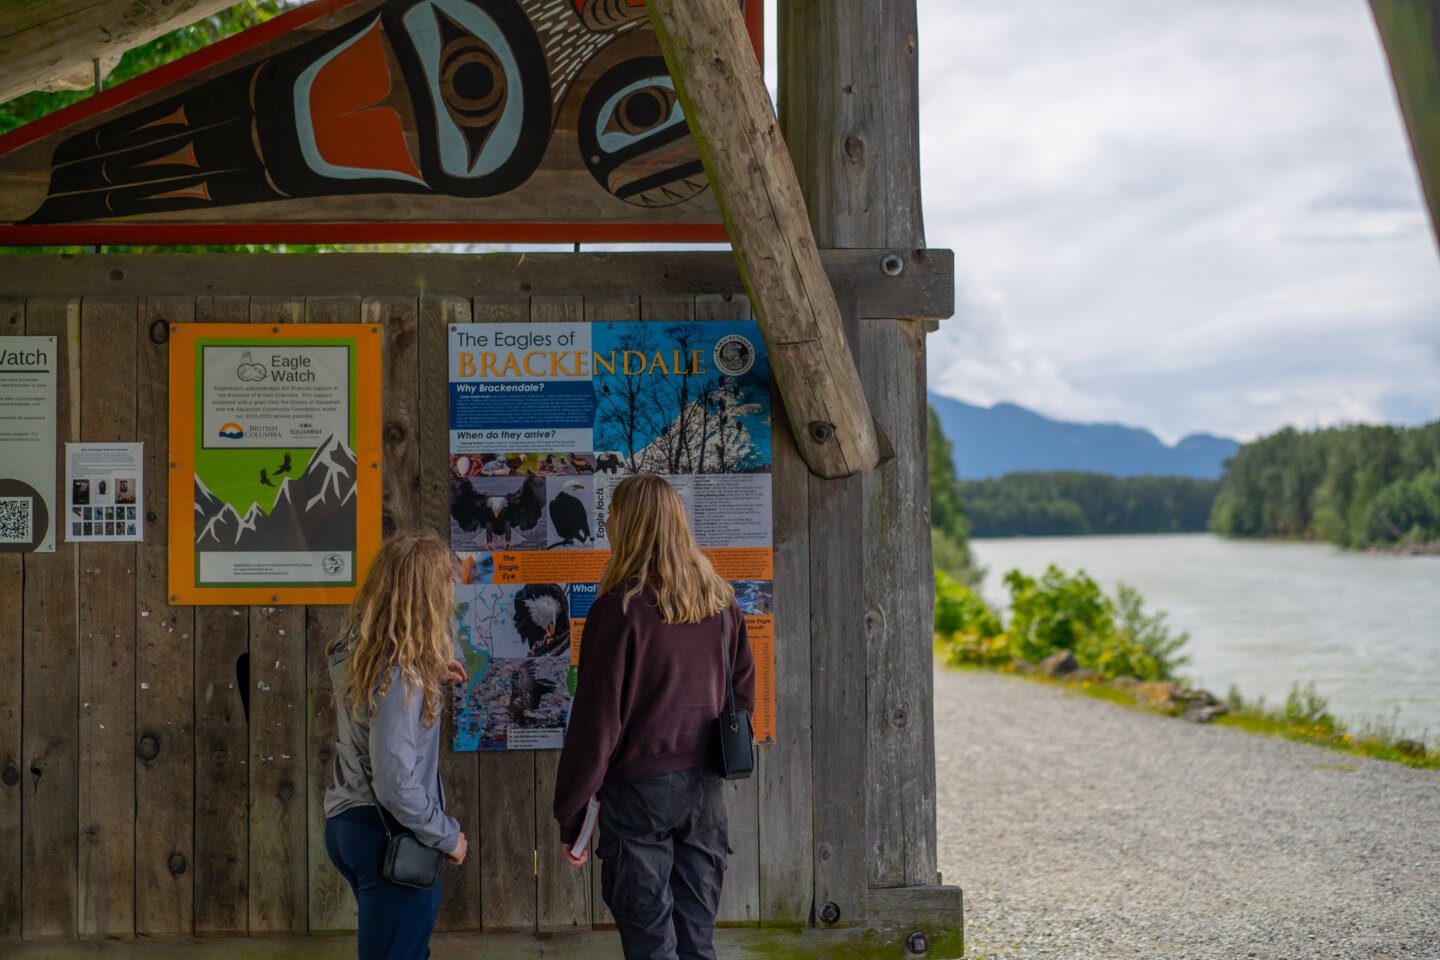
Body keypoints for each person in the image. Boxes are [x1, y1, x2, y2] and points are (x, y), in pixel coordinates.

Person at [554, 473, 756, 960]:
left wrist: (573, 818)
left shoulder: (617, 609)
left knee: (651, 948)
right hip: (706, 793)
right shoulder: (720, 601)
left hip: (639, 797)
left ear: (631, 526)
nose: (604, 522)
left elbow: (596, 724)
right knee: (696, 943)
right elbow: (743, 695)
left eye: (613, 514)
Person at [323, 531, 470, 960]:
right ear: (428, 599)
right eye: (445, 589)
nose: (452, 598)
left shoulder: (358, 650)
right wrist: (448, 836)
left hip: (353, 824)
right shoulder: (399, 674)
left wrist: (435, 664)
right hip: (388, 832)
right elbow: (394, 781)